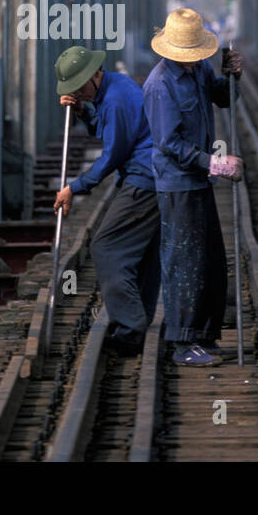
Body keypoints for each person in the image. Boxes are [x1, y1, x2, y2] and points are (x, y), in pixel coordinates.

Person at [141, 8, 243, 367]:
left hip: (198, 180)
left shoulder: (198, 68)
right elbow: (170, 143)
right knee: (184, 262)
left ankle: (205, 336)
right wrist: (216, 162)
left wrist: (233, 76)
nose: (195, 59)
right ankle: (184, 343)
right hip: (177, 184)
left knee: (209, 261)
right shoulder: (159, 85)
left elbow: (222, 96)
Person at [53, 45, 160, 354]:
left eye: (79, 87)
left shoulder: (114, 100)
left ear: (95, 75)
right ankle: (137, 319)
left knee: (106, 246)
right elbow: (105, 127)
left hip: (144, 179)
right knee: (145, 251)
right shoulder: (118, 83)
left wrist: (75, 187)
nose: (78, 92)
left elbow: (113, 154)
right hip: (152, 176)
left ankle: (130, 328)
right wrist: (81, 110)